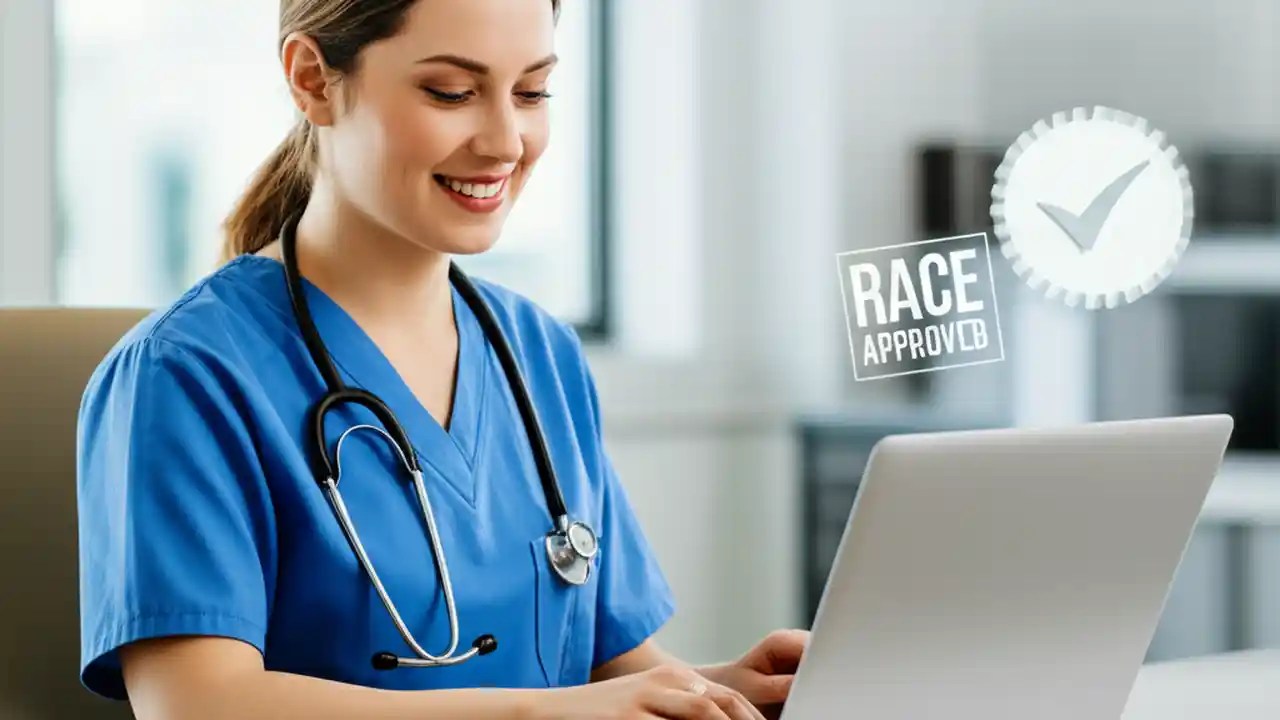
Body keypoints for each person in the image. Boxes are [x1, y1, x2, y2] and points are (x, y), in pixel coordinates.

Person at [75, 1, 808, 718]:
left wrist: (727, 690)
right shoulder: (184, 375)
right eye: (451, 92)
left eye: (531, 92)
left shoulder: (538, 354)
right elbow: (199, 702)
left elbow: (601, 667)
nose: (505, 141)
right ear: (312, 79)